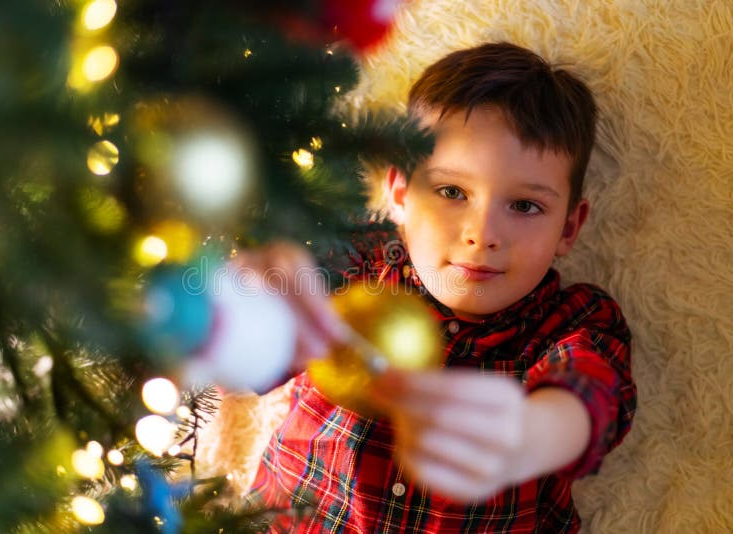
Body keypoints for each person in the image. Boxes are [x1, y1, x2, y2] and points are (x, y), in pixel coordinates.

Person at [238, 42, 636, 533]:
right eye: (452, 192)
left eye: (525, 206)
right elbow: (242, 361)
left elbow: (592, 393)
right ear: (400, 193)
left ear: (569, 227)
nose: (482, 234)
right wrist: (246, 307)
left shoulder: (572, 320)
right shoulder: (352, 266)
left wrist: (530, 434)